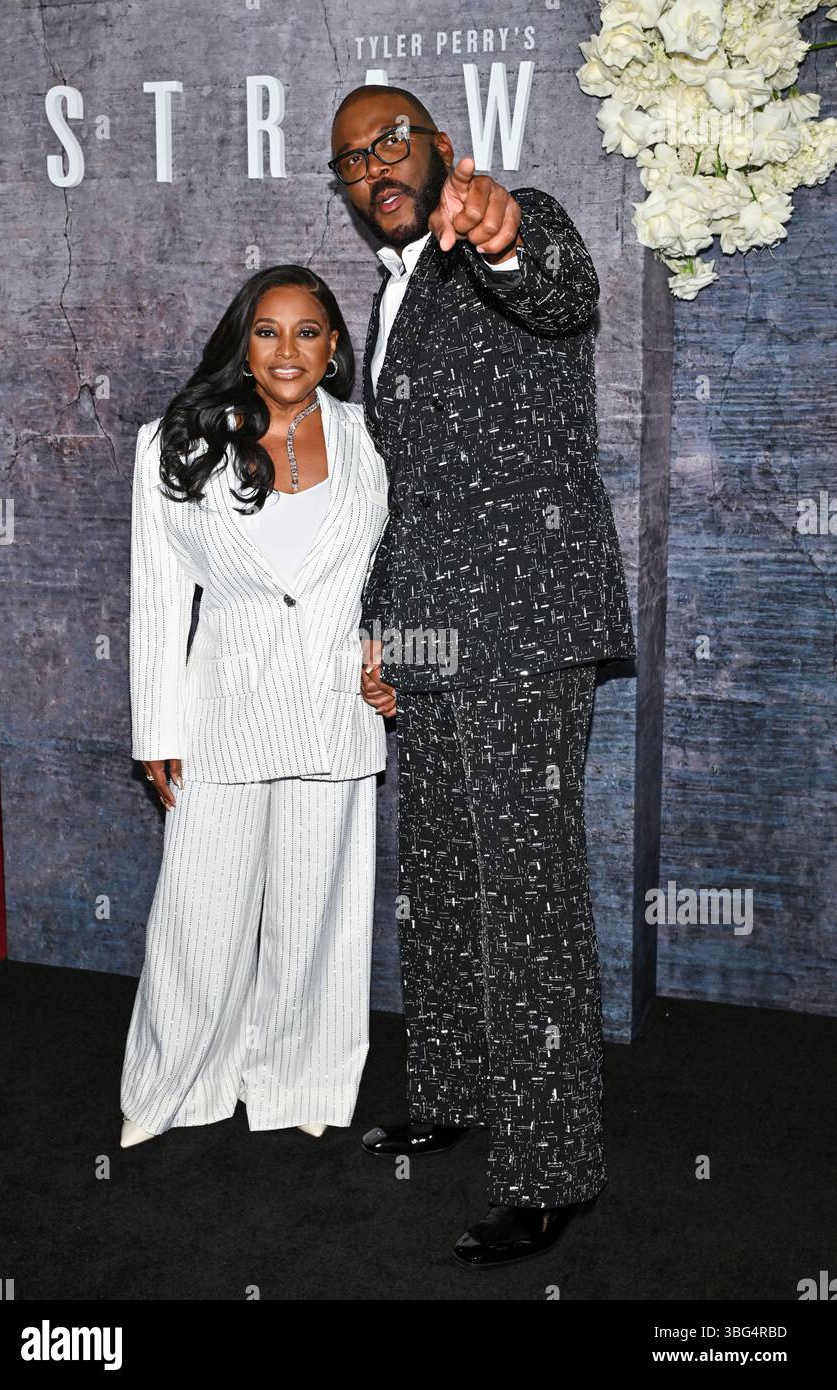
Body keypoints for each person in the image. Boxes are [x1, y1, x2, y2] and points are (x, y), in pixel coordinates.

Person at [328, 85, 637, 1267]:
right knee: (444, 870)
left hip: (526, 620)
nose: (377, 167)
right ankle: (454, 1088)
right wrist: (378, 628)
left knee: (528, 891)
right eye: (353, 160)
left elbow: (558, 286)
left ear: (444, 150)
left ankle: (553, 1166)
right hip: (427, 629)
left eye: (393, 141)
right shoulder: (386, 295)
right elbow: (399, 499)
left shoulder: (507, 229)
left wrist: (503, 235)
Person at [120, 266, 390, 1147]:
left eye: (307, 332)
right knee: (199, 911)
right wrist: (156, 728)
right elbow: (159, 598)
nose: (286, 350)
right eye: (267, 331)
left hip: (332, 705)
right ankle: (180, 1082)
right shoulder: (175, 443)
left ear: (335, 348)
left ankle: (301, 1085)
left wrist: (394, 650)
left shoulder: (371, 436)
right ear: (243, 341)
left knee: (320, 915)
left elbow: (405, 564)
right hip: (220, 712)